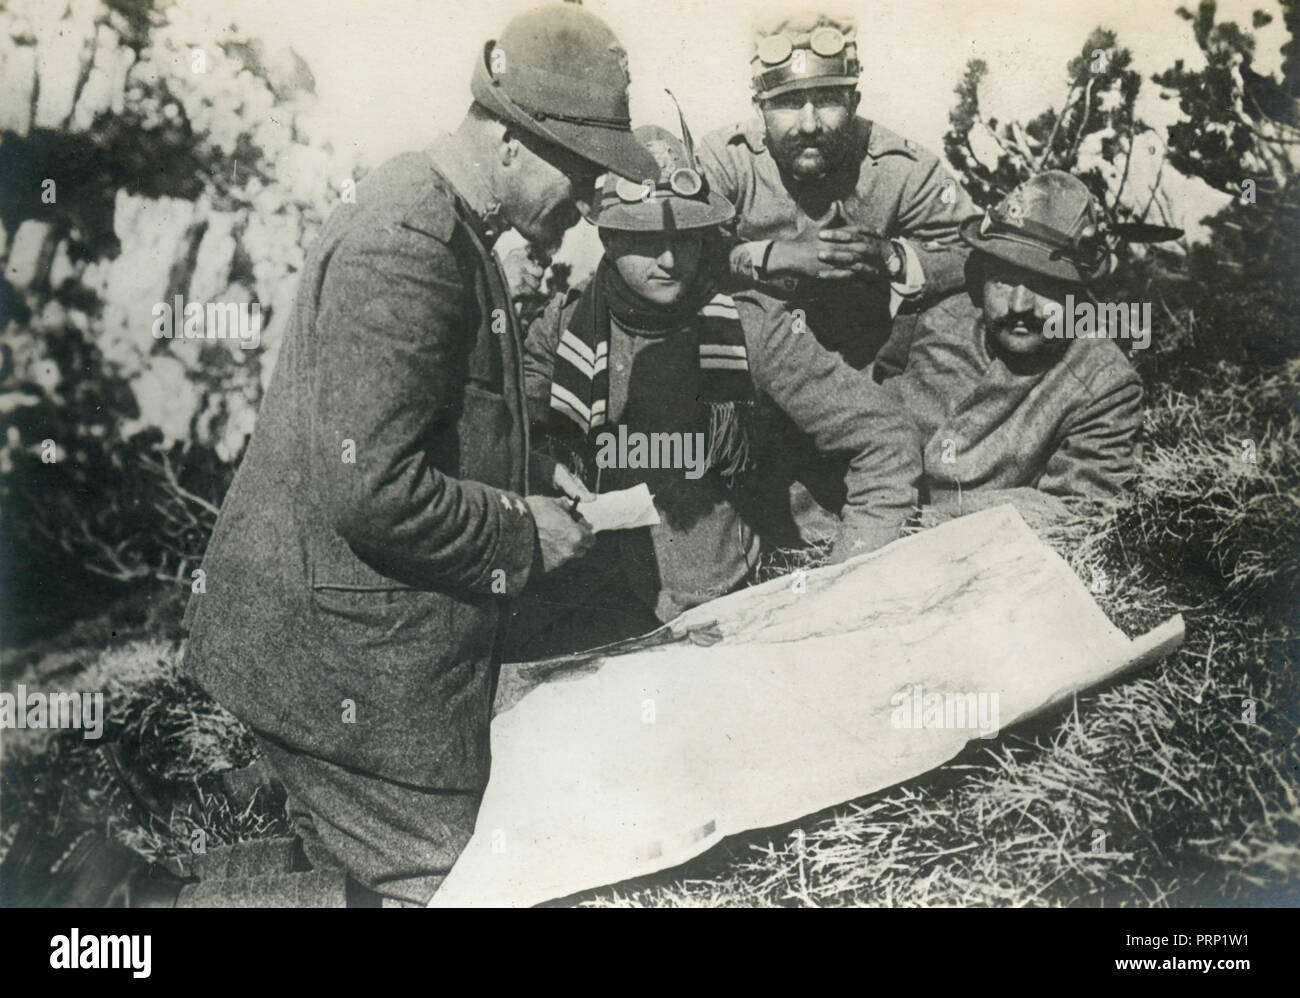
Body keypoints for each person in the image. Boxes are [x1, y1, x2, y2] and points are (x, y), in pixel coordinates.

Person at [166, 4, 656, 907]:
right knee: (474, 883)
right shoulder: (410, 243)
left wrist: (527, 471)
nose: (586, 205)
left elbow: (426, 425)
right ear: (513, 144)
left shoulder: (445, 221)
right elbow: (374, 490)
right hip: (328, 654)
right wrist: (522, 533)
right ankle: (135, 913)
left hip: (360, 625)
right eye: (581, 175)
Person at [511, 120, 922, 656]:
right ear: (607, 235)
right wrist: (542, 467)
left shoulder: (751, 326)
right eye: (644, 238)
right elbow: (510, 431)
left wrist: (839, 582)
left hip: (730, 599)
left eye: (683, 236)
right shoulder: (564, 327)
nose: (669, 260)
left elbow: (886, 439)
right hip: (602, 594)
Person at [697, 11, 975, 370]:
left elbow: (975, 253)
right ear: (759, 108)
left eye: (827, 100)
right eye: (788, 102)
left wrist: (894, 258)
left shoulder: (903, 166)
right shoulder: (726, 158)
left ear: (854, 103)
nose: (809, 124)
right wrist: (774, 255)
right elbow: (683, 253)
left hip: (867, 367)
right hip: (748, 363)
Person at [872, 171, 1145, 526]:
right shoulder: (938, 316)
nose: (1019, 305)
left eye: (1044, 284)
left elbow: (1081, 512)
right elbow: (873, 399)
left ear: (1078, 292)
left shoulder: (1106, 384)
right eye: (1004, 277)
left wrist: (930, 521)